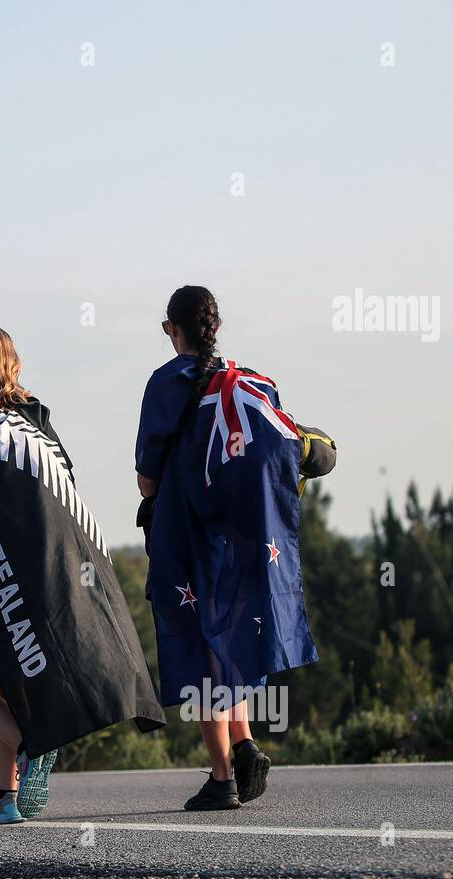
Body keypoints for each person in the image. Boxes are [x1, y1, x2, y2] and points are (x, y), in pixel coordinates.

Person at [0, 323, 163, 824]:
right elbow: (63, 495)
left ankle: (30, 744)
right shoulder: (33, 421)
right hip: (46, 575)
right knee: (11, 686)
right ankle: (6, 796)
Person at [136, 287, 333, 811]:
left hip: (188, 537)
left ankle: (222, 777)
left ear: (171, 330)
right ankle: (243, 745)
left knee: (198, 648)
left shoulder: (164, 383)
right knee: (228, 640)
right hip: (241, 537)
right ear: (214, 327)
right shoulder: (252, 381)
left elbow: (146, 479)